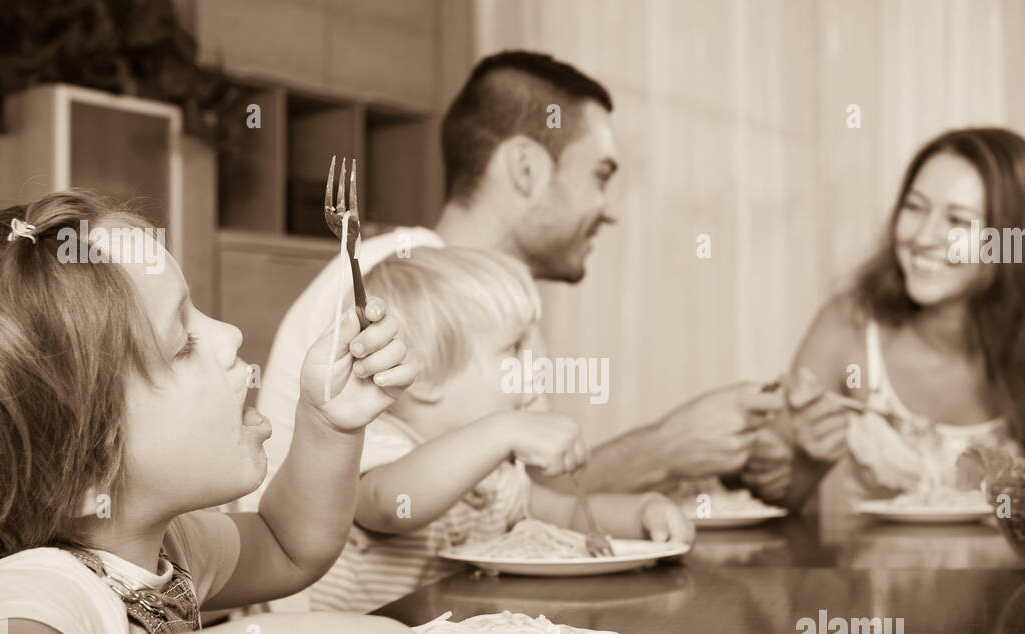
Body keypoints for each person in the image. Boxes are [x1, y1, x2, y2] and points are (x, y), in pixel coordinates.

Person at [0, 192, 461, 634]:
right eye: (183, 343)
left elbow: (291, 545)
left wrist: (328, 426)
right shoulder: (36, 586)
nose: (229, 337)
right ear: (83, 465)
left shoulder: (168, 545)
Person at [249, 49, 784, 514]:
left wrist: (689, 455)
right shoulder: (394, 283)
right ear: (526, 168)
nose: (611, 210)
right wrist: (666, 447)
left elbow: (517, 496)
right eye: (601, 176)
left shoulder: (502, 315)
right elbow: (395, 497)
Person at [741, 127, 1025, 508]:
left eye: (958, 222)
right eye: (915, 208)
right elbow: (760, 496)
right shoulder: (852, 324)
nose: (923, 236)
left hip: (1022, 601)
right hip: (886, 601)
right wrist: (805, 457)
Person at [293, 247, 693, 613]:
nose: (534, 365)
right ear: (426, 377)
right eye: (514, 349)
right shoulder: (375, 444)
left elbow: (565, 513)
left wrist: (641, 514)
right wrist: (503, 430)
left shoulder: (496, 476)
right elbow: (390, 504)